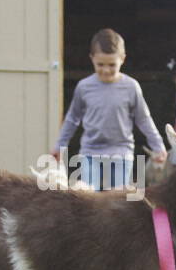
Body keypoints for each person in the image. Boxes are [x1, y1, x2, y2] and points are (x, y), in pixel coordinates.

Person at [54, 29, 167, 191]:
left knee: (118, 201)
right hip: (90, 152)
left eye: (112, 65)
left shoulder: (131, 87)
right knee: (89, 199)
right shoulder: (84, 87)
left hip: (121, 152)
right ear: (91, 58)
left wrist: (158, 146)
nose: (106, 70)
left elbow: (143, 119)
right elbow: (72, 119)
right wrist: (60, 145)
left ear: (122, 59)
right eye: (100, 64)